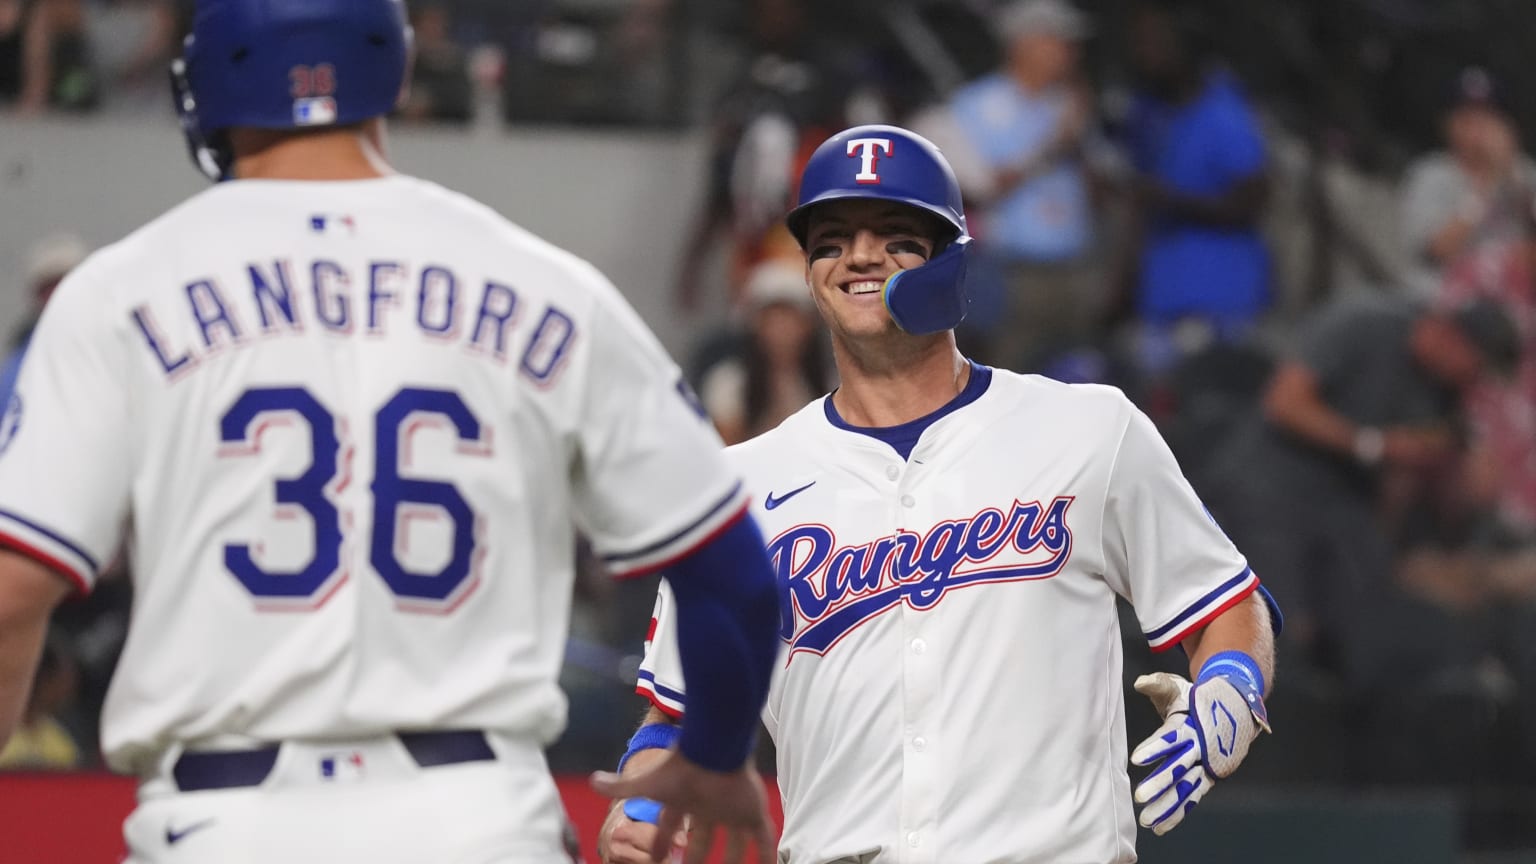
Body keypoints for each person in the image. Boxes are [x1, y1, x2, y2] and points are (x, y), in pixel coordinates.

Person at [0, 2, 781, 863]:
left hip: (225, 822)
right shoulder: (548, 283)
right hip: (478, 818)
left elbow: (12, 596)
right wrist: (712, 755)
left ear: (209, 85)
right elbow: (734, 576)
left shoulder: (120, 291)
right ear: (394, 73)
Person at [599, 125, 1280, 864]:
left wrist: (1231, 688)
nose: (859, 255)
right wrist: (646, 803)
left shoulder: (1087, 430)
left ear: (952, 258)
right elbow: (673, 719)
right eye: (831, 239)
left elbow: (1226, 603)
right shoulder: (734, 492)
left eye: (895, 236)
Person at [1204, 294, 1521, 683]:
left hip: (1345, 502)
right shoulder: (1364, 323)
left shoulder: (1446, 393)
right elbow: (1284, 401)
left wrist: (1458, 477)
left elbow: (1407, 491)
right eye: (1476, 367)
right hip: (1270, 484)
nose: (1475, 381)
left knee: (1372, 624)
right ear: (1452, 337)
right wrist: (1375, 445)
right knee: (1278, 627)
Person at [1112, 0, 1271, 379]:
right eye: (1140, 41)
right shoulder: (1149, 111)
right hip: (1160, 301)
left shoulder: (1224, 111)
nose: (1145, 51)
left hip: (1219, 302)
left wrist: (1170, 200)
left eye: (1156, 40)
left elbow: (1253, 199)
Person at [938, 0, 1099, 369]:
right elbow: (978, 187)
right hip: (1009, 271)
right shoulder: (976, 105)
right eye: (1059, 41)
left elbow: (1098, 192)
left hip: (1075, 269)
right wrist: (1053, 146)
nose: (1070, 53)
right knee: (1012, 379)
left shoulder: (1070, 105)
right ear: (1023, 43)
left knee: (1076, 382)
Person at [0, 231, 87, 408]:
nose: (59, 294)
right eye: (50, 287)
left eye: (69, 282)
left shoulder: (118, 347)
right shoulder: (17, 375)